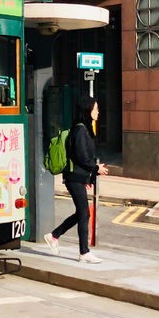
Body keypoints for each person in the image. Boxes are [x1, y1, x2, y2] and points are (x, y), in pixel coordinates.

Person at [44, 96, 109, 263]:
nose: (98, 112)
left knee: (82, 213)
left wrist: (88, 177)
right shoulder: (80, 130)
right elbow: (80, 156)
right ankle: (83, 252)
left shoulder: (84, 129)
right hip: (73, 178)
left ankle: (54, 236)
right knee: (84, 213)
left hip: (77, 177)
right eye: (95, 109)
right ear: (87, 111)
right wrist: (95, 169)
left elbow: (82, 157)